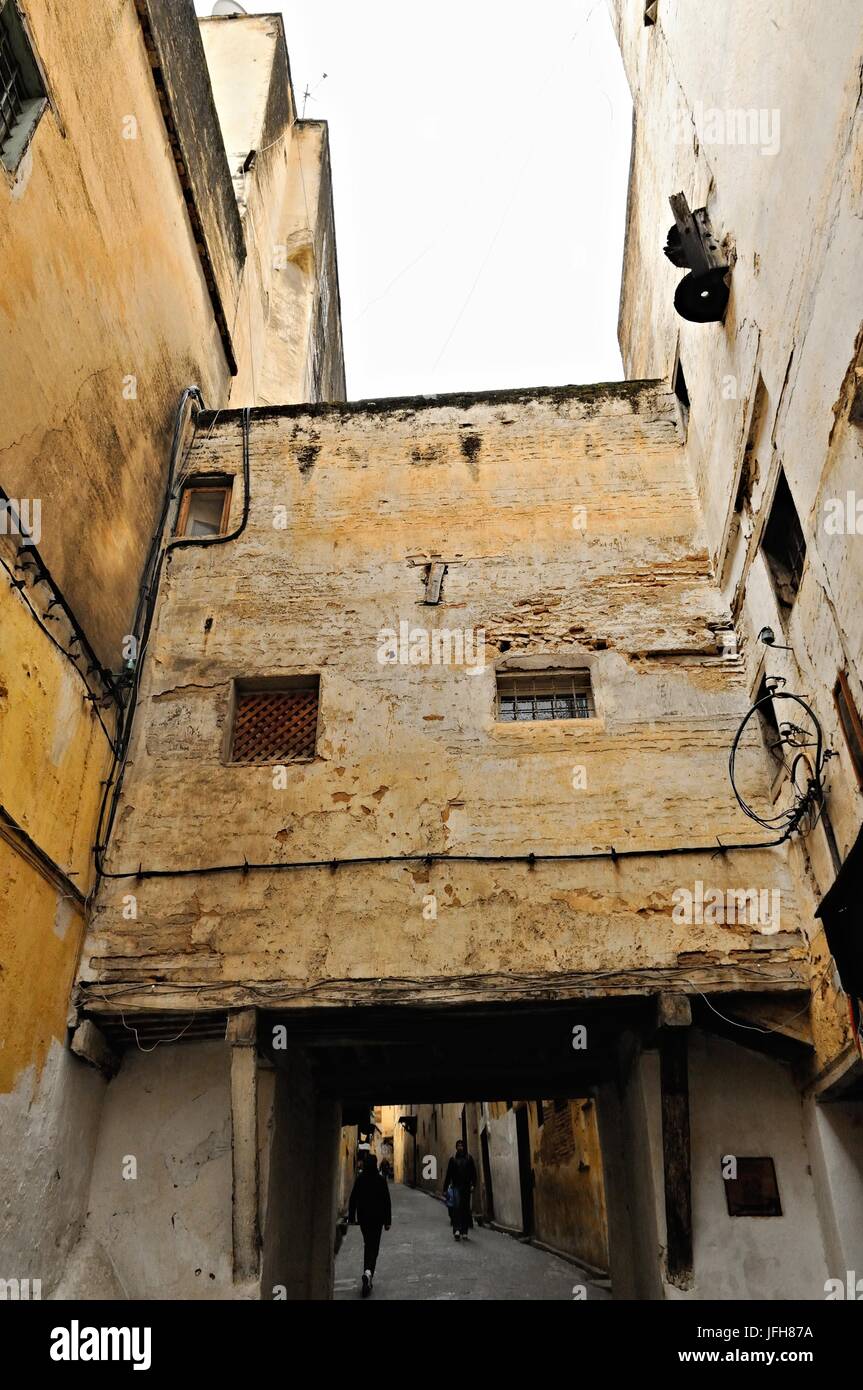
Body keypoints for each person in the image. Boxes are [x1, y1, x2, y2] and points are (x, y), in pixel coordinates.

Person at [348, 1153, 392, 1296]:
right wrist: (387, 1221)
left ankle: (368, 1272)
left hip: (364, 1219)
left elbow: (353, 1198)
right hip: (377, 1219)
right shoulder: (380, 1180)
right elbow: (386, 1201)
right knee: (374, 1246)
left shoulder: (360, 1179)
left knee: (368, 1244)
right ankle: (368, 1272)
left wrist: (351, 1217)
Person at [443, 1139, 477, 1240]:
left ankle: (464, 1231)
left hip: (466, 1188)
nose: (460, 1147)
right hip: (456, 1187)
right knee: (456, 1209)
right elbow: (448, 1175)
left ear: (464, 1147)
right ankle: (457, 1230)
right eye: (458, 1145)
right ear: (456, 1147)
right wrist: (445, 1189)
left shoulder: (469, 1159)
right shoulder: (452, 1160)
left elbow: (473, 1174)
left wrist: (473, 1185)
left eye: (462, 1145)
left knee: (465, 1209)